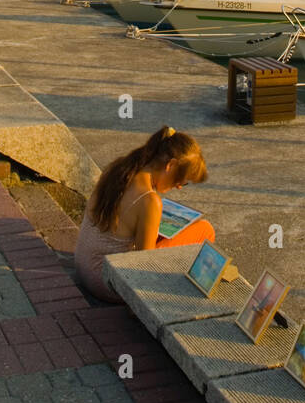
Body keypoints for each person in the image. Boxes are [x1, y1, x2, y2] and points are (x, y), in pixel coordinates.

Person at [73, 126, 215, 303]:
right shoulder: (149, 200)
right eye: (182, 181)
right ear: (170, 165)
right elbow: (144, 266)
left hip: (83, 264)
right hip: (106, 282)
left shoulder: (120, 168)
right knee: (204, 230)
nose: (179, 186)